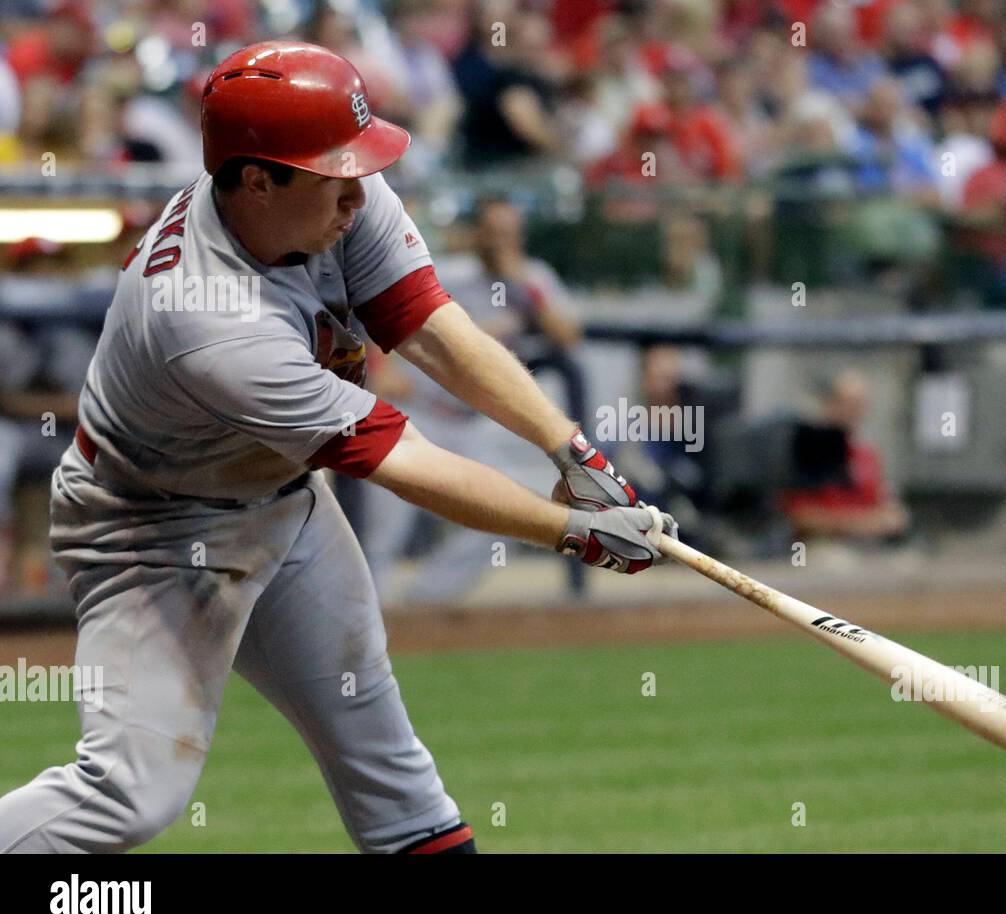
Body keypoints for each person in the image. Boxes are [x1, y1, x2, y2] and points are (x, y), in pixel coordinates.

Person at [0, 41, 674, 855]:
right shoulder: (204, 318)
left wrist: (574, 453)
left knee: (392, 771)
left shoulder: (329, 193)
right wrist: (567, 531)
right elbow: (407, 459)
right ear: (255, 179)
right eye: (335, 174)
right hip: (152, 532)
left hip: (281, 501)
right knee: (130, 794)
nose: (360, 191)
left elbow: (429, 329)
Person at [362, 195, 584, 603]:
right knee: (384, 522)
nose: (501, 241)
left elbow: (568, 337)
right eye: (494, 232)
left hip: (477, 423)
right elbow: (376, 305)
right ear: (477, 233)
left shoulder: (533, 277)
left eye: (509, 233)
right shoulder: (446, 271)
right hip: (419, 412)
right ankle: (371, 615)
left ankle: (422, 609)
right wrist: (381, 368)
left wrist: (520, 280)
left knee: (502, 514)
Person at [780, 370, 909, 544]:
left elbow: (892, 515)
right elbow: (800, 517)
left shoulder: (866, 454)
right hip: (821, 546)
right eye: (847, 403)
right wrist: (859, 524)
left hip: (869, 547)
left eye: (860, 404)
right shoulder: (806, 448)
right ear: (830, 402)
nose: (854, 411)